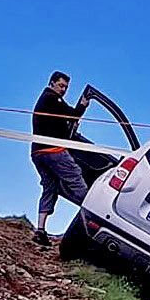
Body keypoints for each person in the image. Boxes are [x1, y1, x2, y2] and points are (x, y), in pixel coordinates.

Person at [30, 70, 93, 245]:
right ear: (52, 83)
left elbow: (63, 124)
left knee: (49, 187)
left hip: (37, 152)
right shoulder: (52, 98)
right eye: (61, 85)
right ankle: (93, 216)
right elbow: (72, 115)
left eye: (66, 87)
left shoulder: (46, 101)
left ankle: (40, 231)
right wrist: (83, 105)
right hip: (53, 151)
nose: (64, 89)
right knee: (75, 177)